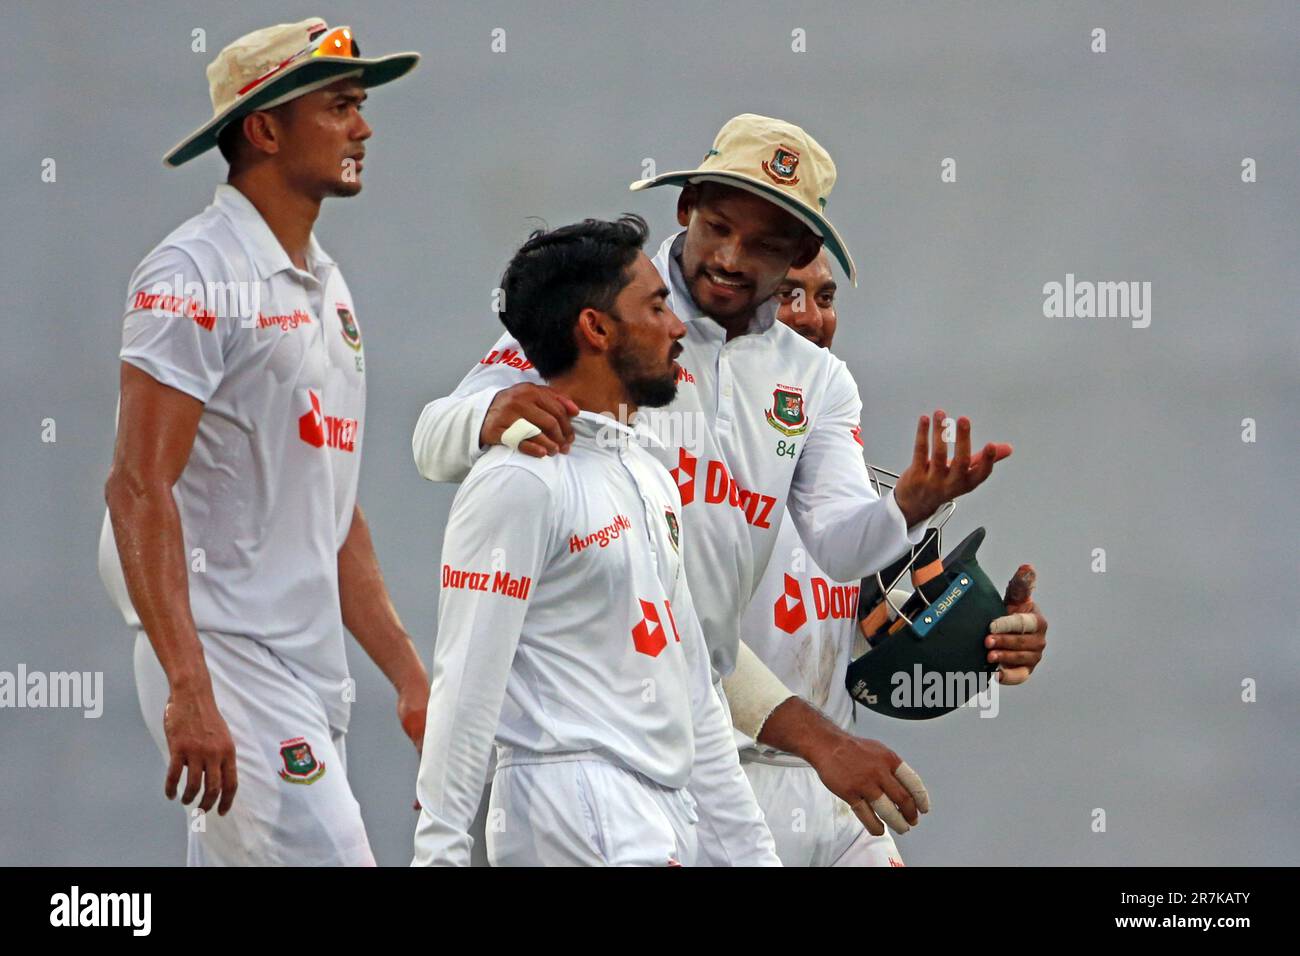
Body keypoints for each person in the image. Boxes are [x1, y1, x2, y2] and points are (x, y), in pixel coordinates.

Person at [411, 113, 1024, 838]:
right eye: (717, 227)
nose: (732, 258)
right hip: (595, 749)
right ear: (686, 209)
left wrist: (907, 507)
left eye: (765, 245)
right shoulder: (620, 318)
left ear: (800, 251)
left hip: (710, 733)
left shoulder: (816, 379)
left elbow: (837, 549)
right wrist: (485, 416)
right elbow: (432, 442)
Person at [99, 19, 427, 865]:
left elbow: (331, 508)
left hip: (309, 673)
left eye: (361, 106)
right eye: (341, 106)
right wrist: (188, 687)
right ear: (265, 128)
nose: (365, 127)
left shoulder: (328, 283)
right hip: (224, 659)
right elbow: (137, 487)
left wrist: (408, 675)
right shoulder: (190, 275)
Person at [411, 216, 779, 866]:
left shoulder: (645, 473)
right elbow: (467, 684)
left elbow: (694, 688)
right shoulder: (518, 481)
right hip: (569, 816)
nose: (676, 327)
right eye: (657, 305)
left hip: (660, 815)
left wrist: (754, 856)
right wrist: (437, 855)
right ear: (596, 328)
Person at [737, 250, 1049, 866]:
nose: (809, 318)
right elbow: (690, 642)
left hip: (834, 787)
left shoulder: (835, 470)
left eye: (824, 298)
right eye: (785, 293)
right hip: (720, 783)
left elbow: (864, 623)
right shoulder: (698, 456)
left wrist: (982, 635)